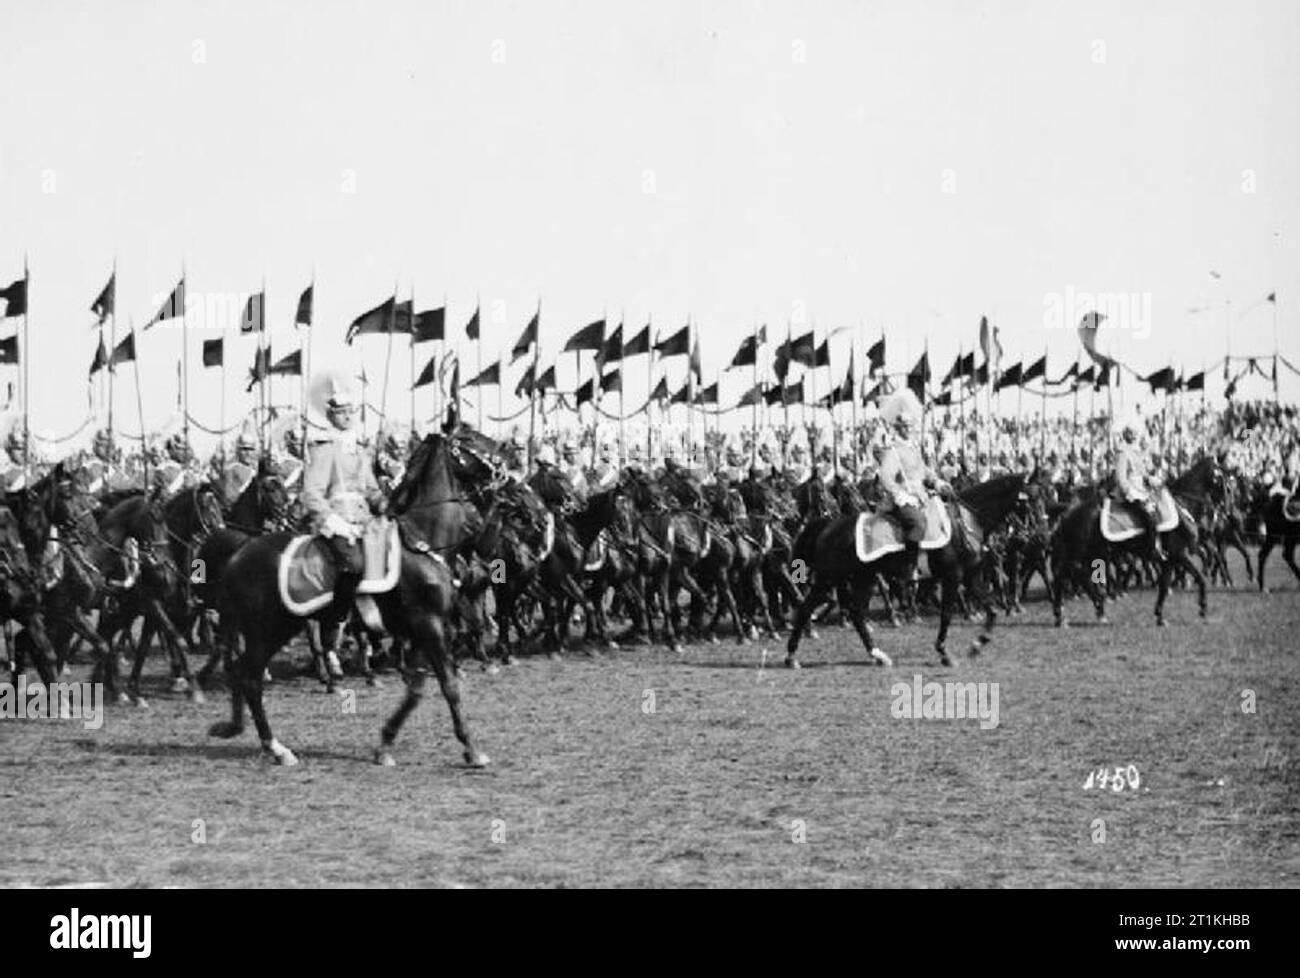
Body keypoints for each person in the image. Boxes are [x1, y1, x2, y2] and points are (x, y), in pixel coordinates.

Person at [301, 371, 387, 623]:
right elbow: (312, 494)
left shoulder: (360, 451)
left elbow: (371, 489)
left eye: (351, 411)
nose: (348, 416)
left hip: (366, 521)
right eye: (341, 412)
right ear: (330, 415)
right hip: (338, 522)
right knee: (355, 566)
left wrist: (384, 503)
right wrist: (333, 521)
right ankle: (335, 620)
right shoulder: (324, 448)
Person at [877, 389, 933, 569]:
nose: (908, 430)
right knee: (918, 523)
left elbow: (924, 472)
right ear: (898, 428)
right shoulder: (892, 451)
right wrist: (901, 496)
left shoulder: (913, 448)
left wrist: (937, 482)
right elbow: (886, 478)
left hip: (921, 497)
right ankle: (909, 567)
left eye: (910, 426)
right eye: (904, 427)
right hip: (901, 501)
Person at [1113, 418, 1164, 559]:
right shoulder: (1122, 452)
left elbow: (1142, 473)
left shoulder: (1134, 452)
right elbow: (1120, 477)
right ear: (1126, 434)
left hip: (1141, 491)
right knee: (1147, 514)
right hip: (1129, 493)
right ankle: (1151, 548)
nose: (1134, 436)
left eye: (1135, 433)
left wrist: (1151, 479)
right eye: (1131, 433)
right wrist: (1128, 492)